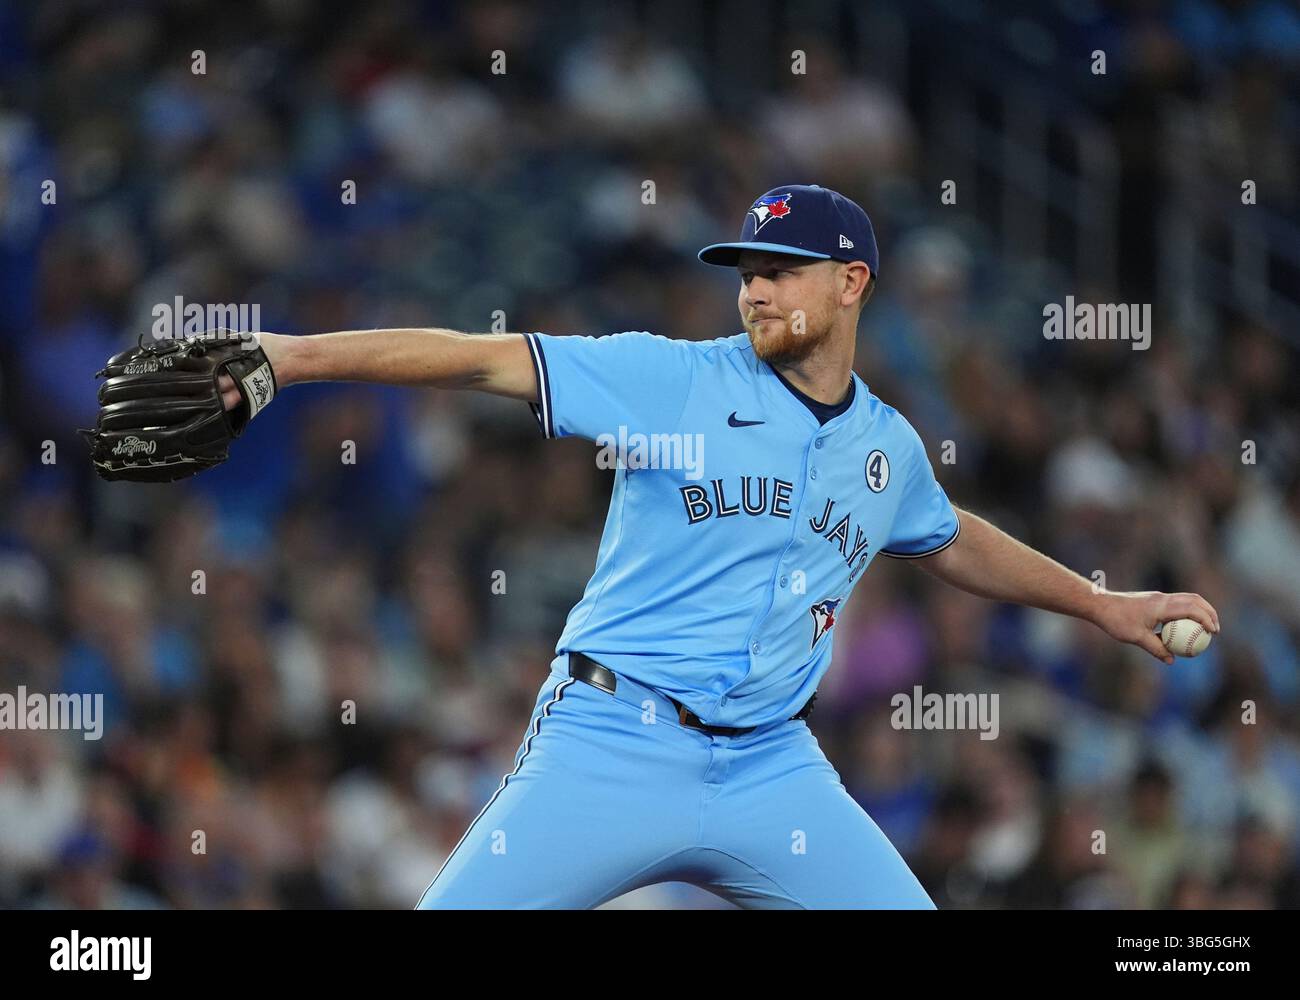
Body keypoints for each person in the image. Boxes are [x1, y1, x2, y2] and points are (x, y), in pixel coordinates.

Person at [224, 184, 1220, 908]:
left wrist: (1103, 605)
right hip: (613, 739)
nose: (755, 292)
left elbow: (951, 539)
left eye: (780, 271)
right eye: (747, 274)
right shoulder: (674, 380)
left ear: (851, 283)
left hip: (771, 767)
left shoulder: (887, 448)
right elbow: (482, 360)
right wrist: (295, 357)